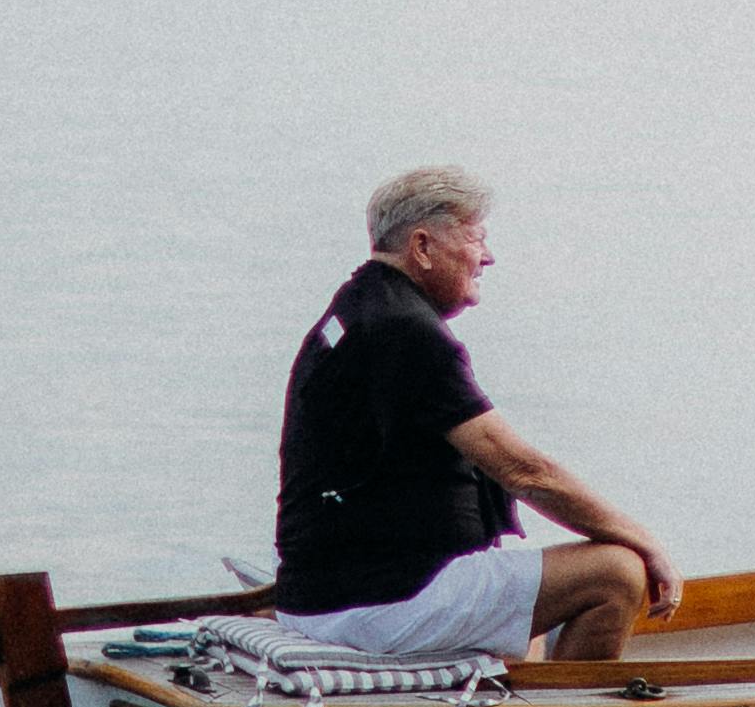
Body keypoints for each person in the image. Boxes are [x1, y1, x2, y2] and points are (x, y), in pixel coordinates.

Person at [268, 169, 677, 667]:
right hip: (376, 601)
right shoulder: (406, 332)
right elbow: (526, 472)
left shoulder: (360, 305)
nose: (488, 257)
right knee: (617, 573)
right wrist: (645, 542)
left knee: (529, 594)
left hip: (331, 589)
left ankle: (527, 682)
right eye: (475, 238)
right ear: (422, 247)